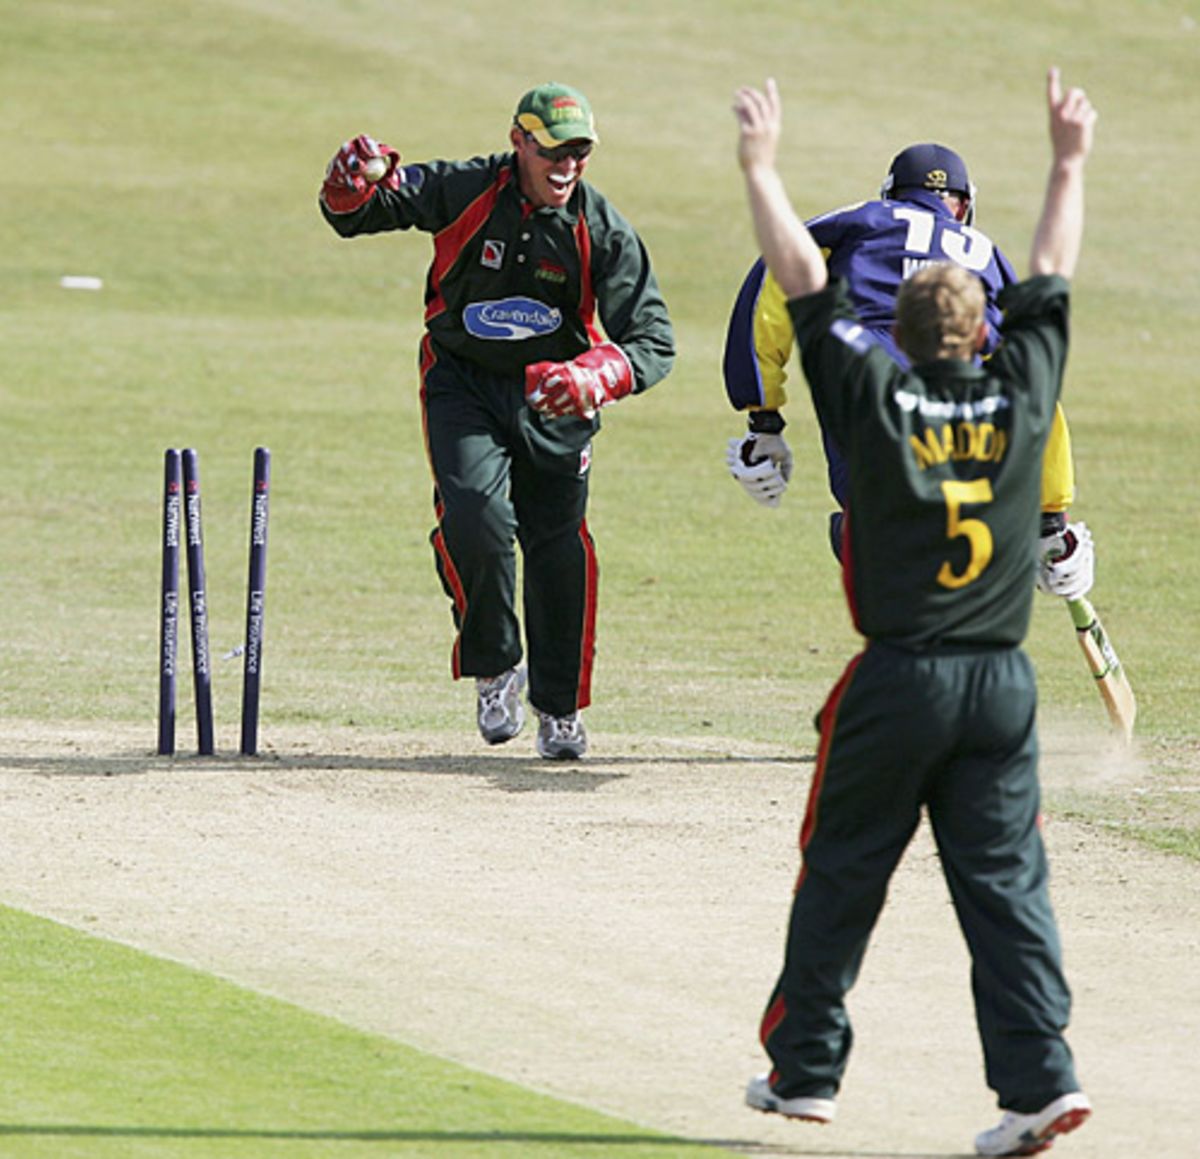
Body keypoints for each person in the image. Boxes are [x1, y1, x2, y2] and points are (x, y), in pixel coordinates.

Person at [733, 69, 1096, 1156]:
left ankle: (804, 1076)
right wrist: (1069, 160)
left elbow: (798, 276)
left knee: (842, 865)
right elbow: (1052, 270)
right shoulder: (1026, 390)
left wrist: (761, 166)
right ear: (987, 326)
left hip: (901, 678)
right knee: (1008, 890)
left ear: (896, 324)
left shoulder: (877, 398)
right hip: (1001, 684)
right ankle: (1040, 1083)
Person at [320, 82, 674, 759]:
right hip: (463, 380)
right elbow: (359, 213)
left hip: (557, 393)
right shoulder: (468, 188)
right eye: (553, 151)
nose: (567, 166)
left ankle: (560, 708)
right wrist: (348, 187)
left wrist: (596, 375)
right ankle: (494, 667)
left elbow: (652, 338)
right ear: (519, 143)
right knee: (475, 520)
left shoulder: (598, 226)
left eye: (580, 152)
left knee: (558, 546)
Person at [722, 135, 1094, 602]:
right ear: (961, 206)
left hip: (860, 367)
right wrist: (1051, 519)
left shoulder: (852, 221)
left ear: (893, 194)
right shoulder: (985, 253)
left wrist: (763, 419)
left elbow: (772, 280)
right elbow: (1033, 388)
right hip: (956, 395)